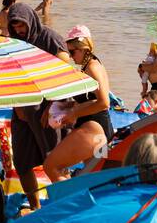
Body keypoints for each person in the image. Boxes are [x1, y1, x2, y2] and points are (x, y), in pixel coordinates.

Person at [6, 2, 71, 210]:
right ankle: (35, 207)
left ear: (31, 21)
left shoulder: (49, 39)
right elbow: (12, 77)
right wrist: (16, 104)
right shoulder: (14, 43)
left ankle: (63, 205)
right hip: (23, 109)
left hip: (47, 110)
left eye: (21, 26)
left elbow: (65, 73)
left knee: (54, 160)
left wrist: (51, 105)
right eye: (14, 27)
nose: (19, 31)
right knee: (22, 162)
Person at [43, 26, 113, 181]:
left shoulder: (92, 68)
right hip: (100, 130)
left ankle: (66, 203)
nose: (71, 57)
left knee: (51, 166)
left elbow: (104, 102)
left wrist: (74, 113)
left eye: (73, 52)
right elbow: (90, 100)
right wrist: (67, 108)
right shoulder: (90, 66)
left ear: (83, 48)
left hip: (94, 129)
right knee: (93, 179)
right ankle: (79, 203)